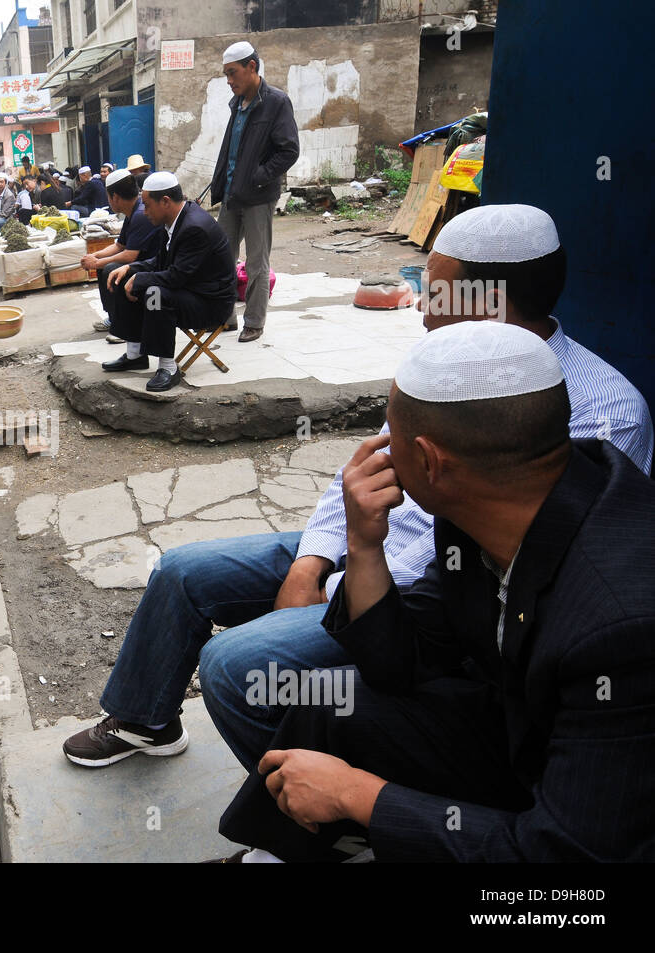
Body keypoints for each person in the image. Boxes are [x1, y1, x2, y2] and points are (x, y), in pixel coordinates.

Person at [60, 204, 653, 772]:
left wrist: (341, 587)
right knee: (183, 572)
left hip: (420, 600)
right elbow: (361, 471)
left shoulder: (603, 411)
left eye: (439, 293)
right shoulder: (441, 365)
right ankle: (144, 721)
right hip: (364, 539)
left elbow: (489, 561)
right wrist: (312, 561)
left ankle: (330, 817)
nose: (422, 311)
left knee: (238, 665)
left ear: (490, 302)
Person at [218, 320, 655, 862]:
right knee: (330, 706)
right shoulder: (484, 511)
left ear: (428, 462)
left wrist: (361, 796)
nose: (378, 457)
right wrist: (364, 545)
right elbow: (398, 664)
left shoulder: (622, 624)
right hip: (524, 733)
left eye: (388, 441)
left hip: (581, 846)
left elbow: (570, 860)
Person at [100, 171, 236, 392]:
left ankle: (168, 368)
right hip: (190, 290)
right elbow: (160, 261)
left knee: (156, 294)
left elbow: (176, 276)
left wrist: (139, 278)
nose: (143, 211)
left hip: (211, 303)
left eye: (146, 205)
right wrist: (130, 268)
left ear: (165, 201)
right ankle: (135, 354)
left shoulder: (194, 228)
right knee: (120, 275)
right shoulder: (173, 220)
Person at [208, 41, 299, 344]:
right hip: (233, 193)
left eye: (233, 73)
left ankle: (255, 321)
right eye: (226, 75)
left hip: (259, 195)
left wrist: (259, 176)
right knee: (221, 257)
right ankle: (225, 316)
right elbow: (231, 151)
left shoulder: (276, 102)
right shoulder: (237, 104)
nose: (230, 81)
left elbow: (289, 151)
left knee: (256, 262)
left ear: (252, 67)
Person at [82, 170, 161, 334]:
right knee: (105, 266)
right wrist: (95, 256)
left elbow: (129, 255)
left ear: (115, 197)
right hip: (142, 261)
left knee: (111, 269)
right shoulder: (132, 213)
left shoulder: (139, 214)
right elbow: (120, 246)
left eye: (108, 197)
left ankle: (123, 324)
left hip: (152, 265)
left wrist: (97, 262)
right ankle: (115, 318)